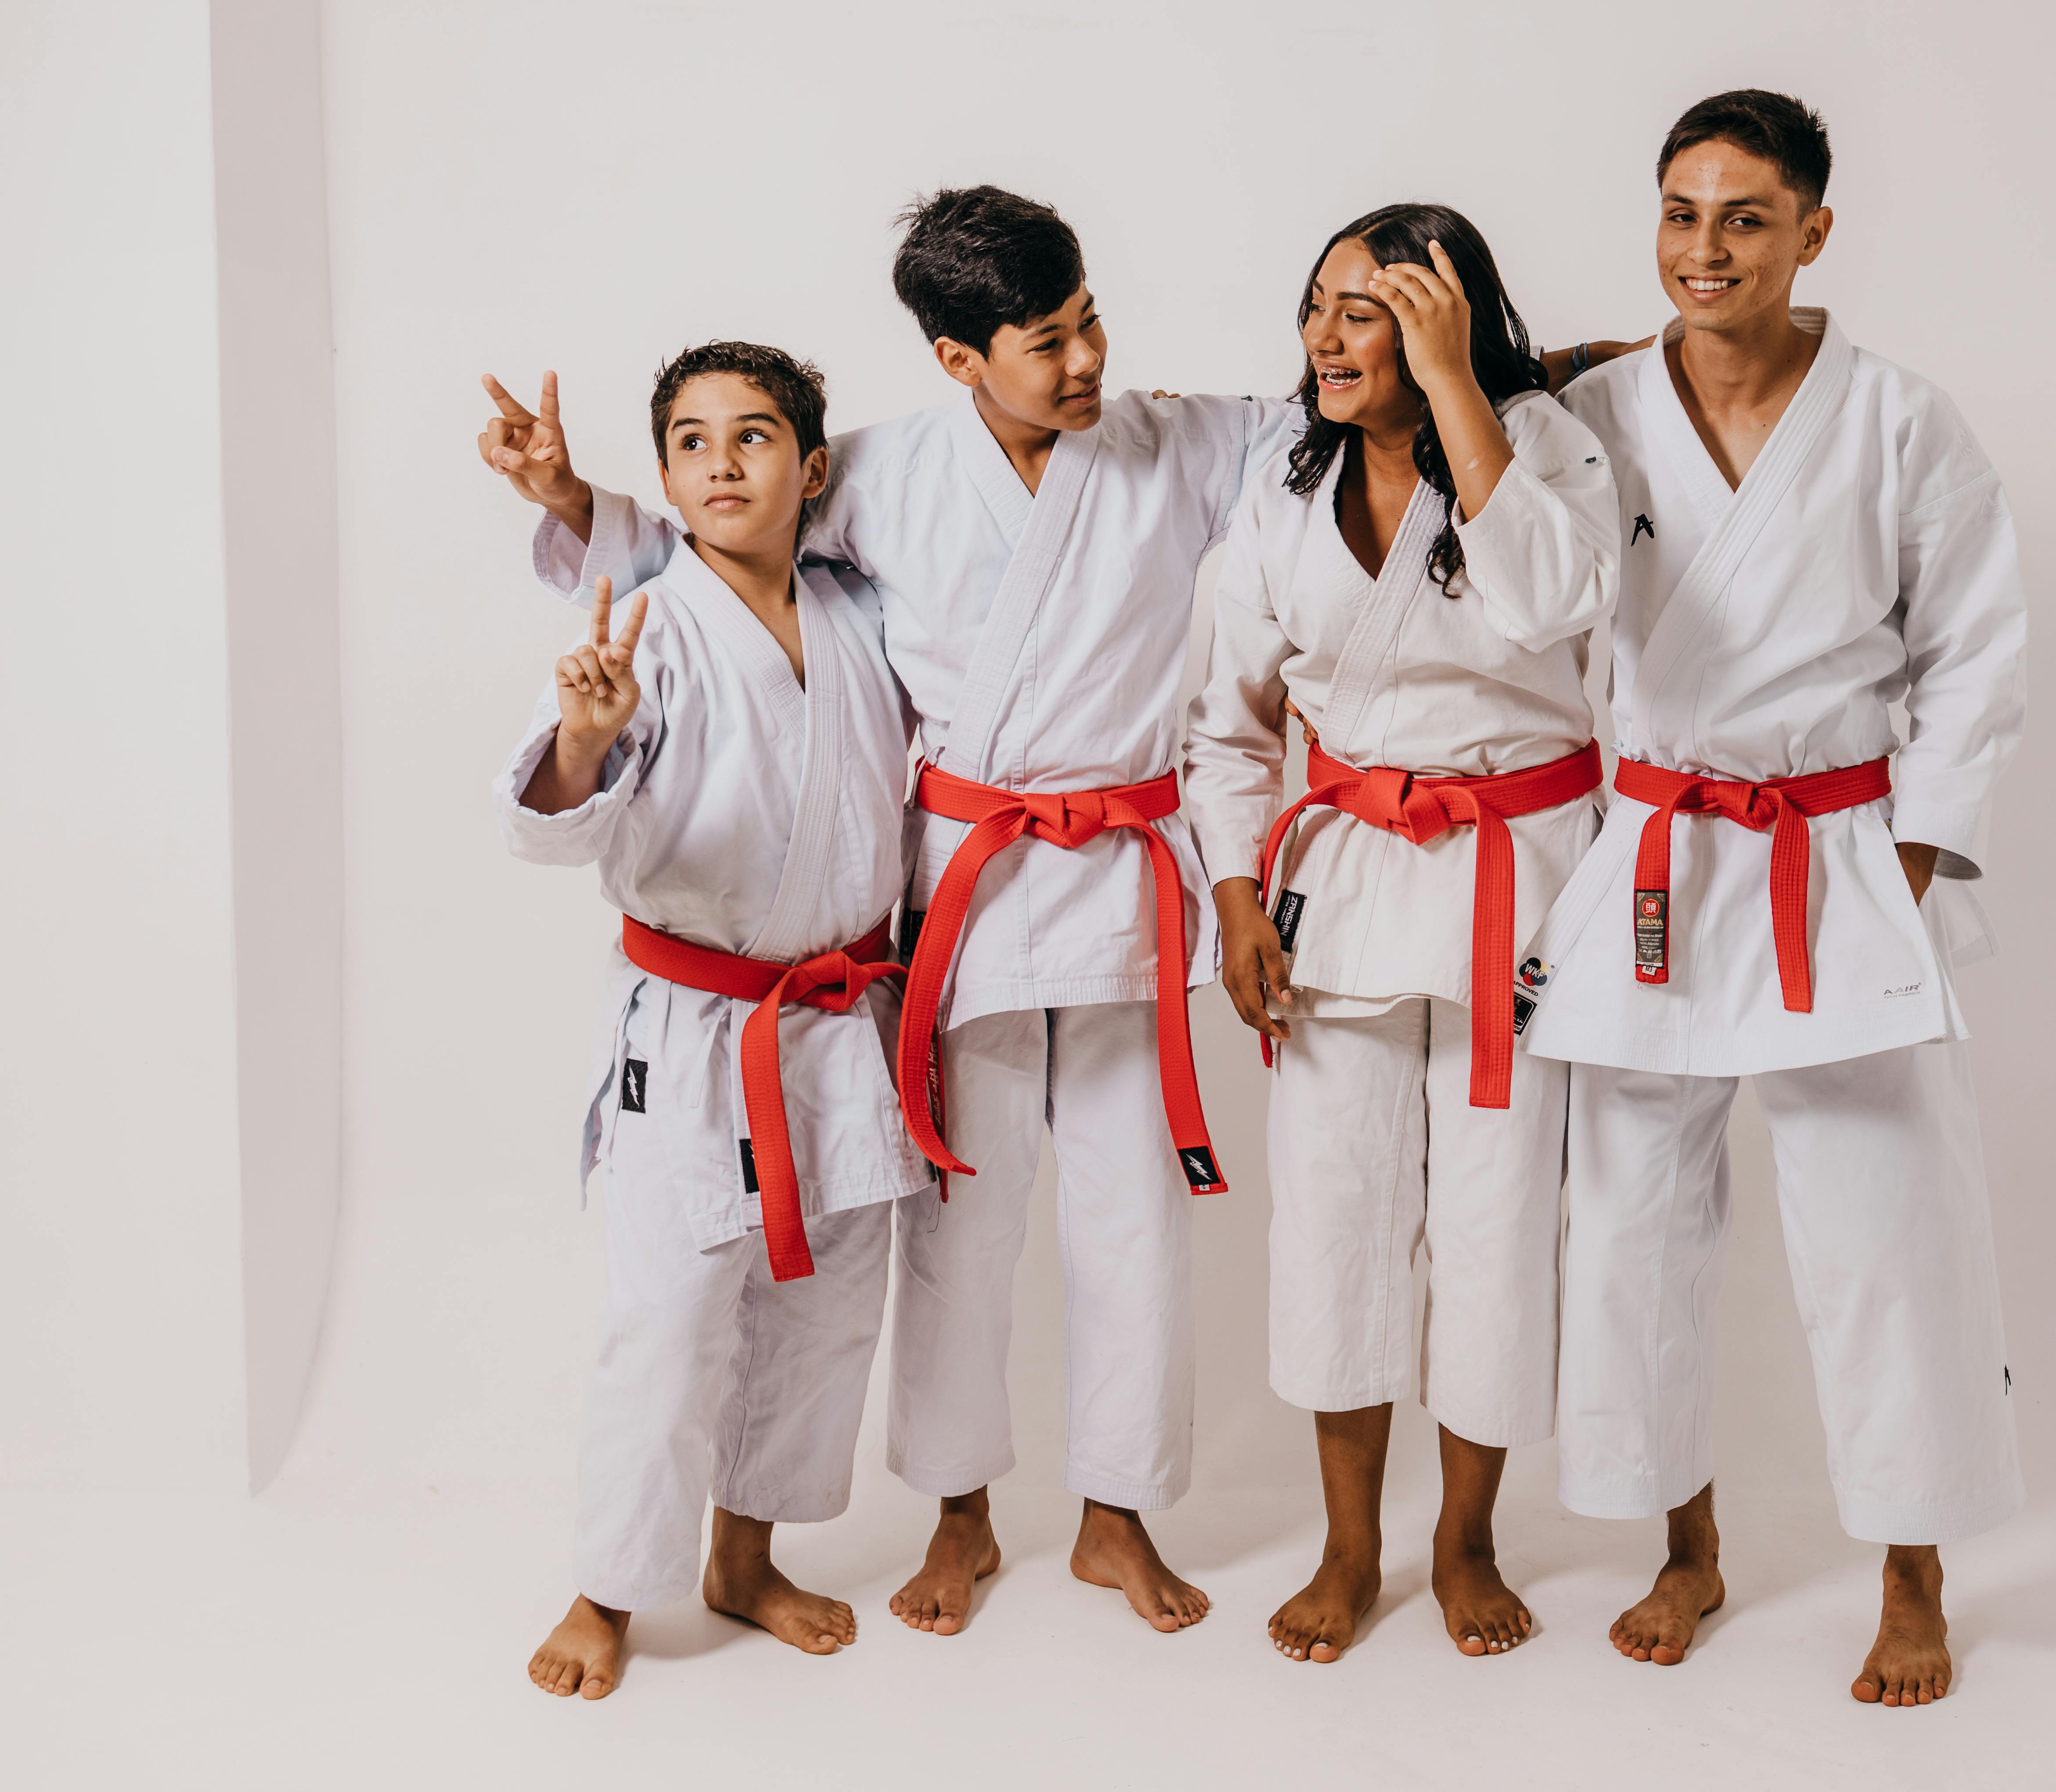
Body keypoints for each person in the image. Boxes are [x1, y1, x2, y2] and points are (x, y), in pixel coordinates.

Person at [480, 187, 1293, 1637]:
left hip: (1120, 881)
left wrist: (1521, 367)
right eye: (1046, 341)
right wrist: (568, 504)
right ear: (958, 358)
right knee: (958, 1221)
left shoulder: (1174, 443)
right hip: (962, 902)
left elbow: (1334, 424)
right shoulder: (880, 473)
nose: (1086, 360)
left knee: (1133, 1214)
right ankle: (957, 1513)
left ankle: (1115, 1513)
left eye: (1090, 321)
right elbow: (709, 534)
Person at [1521, 90, 2029, 1704]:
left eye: (1745, 218)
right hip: (1659, 856)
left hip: (1835, 851)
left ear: (1813, 231)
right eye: (1680, 214)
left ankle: (1912, 1568)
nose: (1706, 248)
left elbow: (1973, 649)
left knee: (1887, 1230)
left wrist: (1907, 852)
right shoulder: (1589, 413)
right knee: (1632, 1227)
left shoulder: (1897, 420)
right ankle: (1686, 1544)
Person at [1185, 204, 1619, 1662]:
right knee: (1333, 1225)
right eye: (1316, 304)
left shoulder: (1542, 445)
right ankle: (1348, 1543)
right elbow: (1227, 721)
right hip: (1344, 885)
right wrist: (1234, 896)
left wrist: (1456, 392)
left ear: (1445, 320)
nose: (1324, 334)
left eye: (1363, 309)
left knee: (1496, 1228)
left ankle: (1466, 1539)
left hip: (1516, 884)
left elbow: (1552, 597)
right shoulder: (1283, 485)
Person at [498, 343, 923, 1698]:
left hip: (842, 1018)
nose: (722, 462)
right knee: (672, 1315)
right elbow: (558, 816)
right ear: (665, 478)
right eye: (691, 441)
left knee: (823, 1310)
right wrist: (585, 736)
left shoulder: (862, 608)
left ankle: (746, 1556)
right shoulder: (646, 622)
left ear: (814, 466)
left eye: (754, 436)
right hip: (696, 1029)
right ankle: (609, 1588)